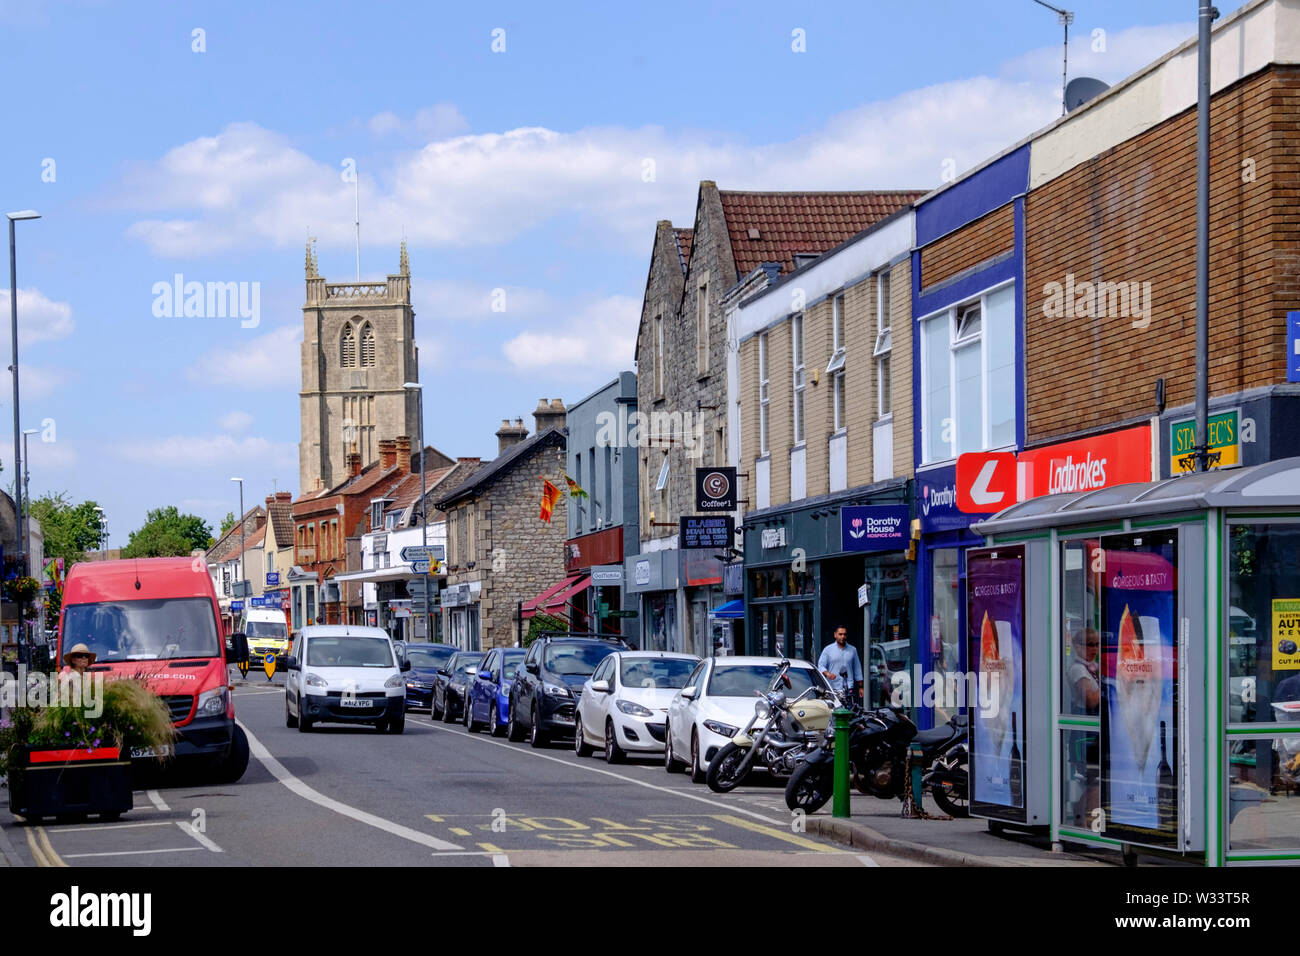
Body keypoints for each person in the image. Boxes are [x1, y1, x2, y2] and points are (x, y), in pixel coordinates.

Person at [817, 625, 863, 699]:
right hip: (832, 688)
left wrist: (861, 687)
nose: (842, 636)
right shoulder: (828, 649)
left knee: (848, 709)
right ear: (835, 635)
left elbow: (857, 669)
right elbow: (821, 665)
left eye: (844, 634)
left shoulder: (852, 650)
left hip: (848, 688)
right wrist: (828, 674)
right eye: (840, 634)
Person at [1067, 627, 1100, 715]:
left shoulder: (1091, 666)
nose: (1095, 649)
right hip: (1084, 715)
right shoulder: (1078, 669)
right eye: (1090, 645)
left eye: (1097, 644)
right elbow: (1091, 701)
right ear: (1078, 647)